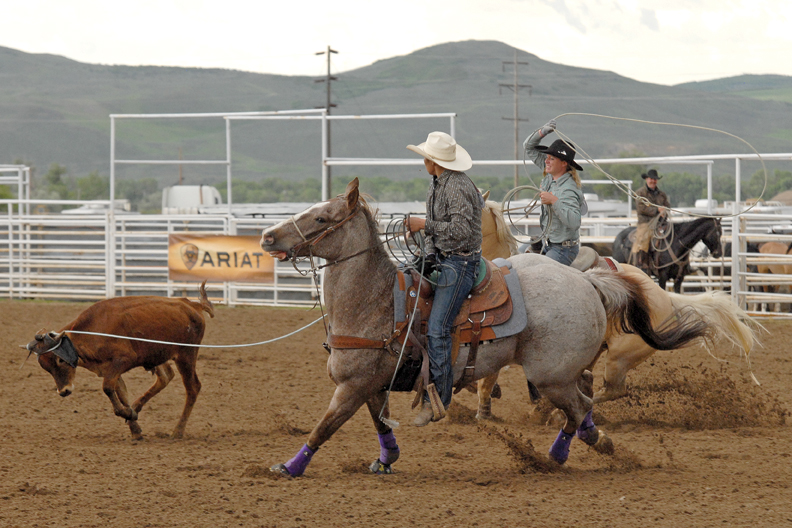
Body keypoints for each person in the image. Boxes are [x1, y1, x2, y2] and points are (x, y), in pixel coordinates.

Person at [404, 131, 482, 427]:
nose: (423, 161)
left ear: (432, 161)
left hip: (461, 262)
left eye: (425, 157)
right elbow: (433, 232)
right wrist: (427, 252)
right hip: (443, 257)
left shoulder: (458, 186)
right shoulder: (437, 184)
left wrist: (425, 225)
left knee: (437, 328)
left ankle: (438, 399)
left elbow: (461, 230)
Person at [523, 119, 585, 265]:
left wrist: (554, 200)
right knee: (517, 258)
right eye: (547, 157)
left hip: (563, 249)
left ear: (564, 164)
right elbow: (528, 146)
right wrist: (542, 132)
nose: (546, 161)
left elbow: (574, 222)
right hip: (548, 242)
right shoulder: (550, 175)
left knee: (540, 273)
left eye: (552, 158)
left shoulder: (569, 189)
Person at [631, 169, 670, 274]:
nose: (653, 181)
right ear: (647, 179)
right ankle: (640, 263)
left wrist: (665, 211)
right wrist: (657, 210)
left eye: (655, 179)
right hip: (646, 222)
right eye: (651, 179)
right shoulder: (640, 193)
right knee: (643, 239)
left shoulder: (662, 194)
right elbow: (641, 209)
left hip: (660, 222)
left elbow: (667, 206)